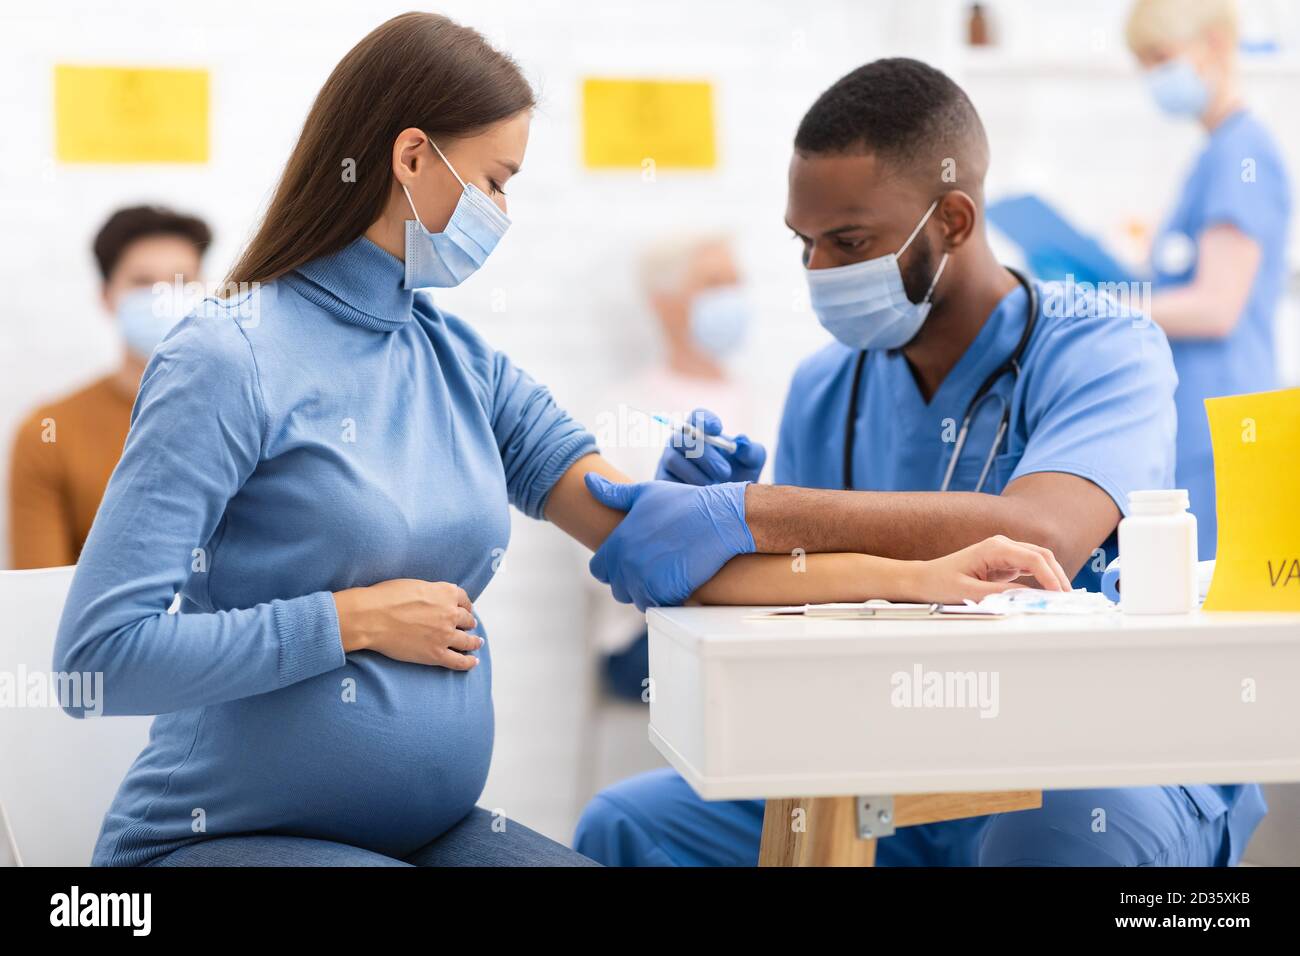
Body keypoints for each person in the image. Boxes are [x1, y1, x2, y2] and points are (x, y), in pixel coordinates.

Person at [53, 14, 1062, 868]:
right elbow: (97, 657)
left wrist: (929, 574)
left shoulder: (460, 360)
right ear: (410, 159)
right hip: (221, 838)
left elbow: (662, 548)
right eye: (494, 179)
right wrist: (347, 620)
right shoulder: (230, 357)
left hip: (427, 829)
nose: (503, 212)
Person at [574, 58, 1266, 867]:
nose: (818, 273)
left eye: (850, 242)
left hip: (1100, 757)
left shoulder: (1102, 347)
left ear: (955, 221)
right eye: (804, 244)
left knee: (1045, 839)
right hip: (902, 751)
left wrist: (755, 514)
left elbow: (1045, 535)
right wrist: (725, 538)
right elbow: (800, 614)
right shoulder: (828, 385)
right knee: (627, 826)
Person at [1127, 0, 1291, 560]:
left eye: (1161, 57)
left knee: (1213, 603)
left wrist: (1112, 305)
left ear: (1216, 45)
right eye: (1144, 63)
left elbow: (1217, 305)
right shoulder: (1215, 154)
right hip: (1203, 421)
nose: (1153, 76)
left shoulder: (1242, 154)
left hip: (1226, 425)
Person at [591, 234, 760, 699]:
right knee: (763, 675)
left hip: (757, 615)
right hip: (646, 631)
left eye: (735, 283)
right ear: (663, 304)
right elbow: (601, 547)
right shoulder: (620, 412)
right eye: (712, 284)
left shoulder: (767, 400)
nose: (731, 298)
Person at [7, 206, 210, 569]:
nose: (163, 296)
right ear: (106, 296)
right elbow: (38, 596)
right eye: (143, 282)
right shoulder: (46, 432)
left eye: (181, 281)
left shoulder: (253, 414)